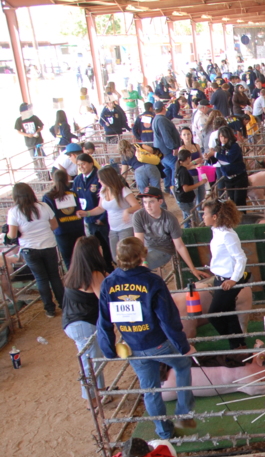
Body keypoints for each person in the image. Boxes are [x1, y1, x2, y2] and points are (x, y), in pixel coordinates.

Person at [97, 237, 196, 440]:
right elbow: (168, 317)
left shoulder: (109, 283)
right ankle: (183, 413)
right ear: (143, 255)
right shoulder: (152, 281)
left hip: (133, 345)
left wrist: (108, 349)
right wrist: (182, 344)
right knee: (183, 365)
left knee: (150, 389)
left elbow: (104, 320)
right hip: (157, 342)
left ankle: (164, 431)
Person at [5, 183, 64, 317]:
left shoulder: (14, 212)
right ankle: (63, 304)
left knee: (41, 279)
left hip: (29, 249)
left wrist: (7, 235)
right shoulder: (43, 206)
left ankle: (50, 309)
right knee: (54, 276)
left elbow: (12, 235)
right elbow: (54, 225)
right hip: (48, 245)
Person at [62, 236, 109, 400]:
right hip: (84, 325)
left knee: (94, 359)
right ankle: (91, 400)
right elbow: (106, 300)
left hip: (72, 323)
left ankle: (100, 391)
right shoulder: (94, 275)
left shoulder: (74, 271)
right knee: (91, 363)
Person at [200, 199, 248, 350]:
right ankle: (239, 345)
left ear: (214, 216)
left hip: (227, 280)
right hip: (220, 278)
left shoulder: (227, 235)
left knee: (214, 315)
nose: (203, 216)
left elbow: (241, 258)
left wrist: (234, 280)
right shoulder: (218, 232)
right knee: (229, 313)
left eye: (205, 214)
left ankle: (234, 342)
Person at [132, 186, 208, 277]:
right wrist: (143, 259)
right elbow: (139, 243)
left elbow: (179, 245)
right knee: (130, 263)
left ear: (160, 202)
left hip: (164, 250)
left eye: (151, 202)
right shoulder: (138, 216)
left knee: (137, 267)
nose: (147, 206)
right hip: (145, 248)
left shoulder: (169, 218)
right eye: (144, 202)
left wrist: (192, 269)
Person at [79, 167, 140, 262]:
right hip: (113, 228)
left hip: (126, 226)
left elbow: (137, 206)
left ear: (107, 178)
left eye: (100, 179)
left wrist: (127, 211)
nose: (98, 181)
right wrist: (87, 213)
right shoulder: (103, 191)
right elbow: (100, 208)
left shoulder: (124, 190)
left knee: (126, 256)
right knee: (116, 257)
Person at [72, 153, 113, 266]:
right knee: (94, 247)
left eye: (83, 164)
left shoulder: (99, 178)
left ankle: (109, 266)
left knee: (107, 246)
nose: (81, 167)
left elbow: (107, 200)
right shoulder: (78, 180)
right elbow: (75, 198)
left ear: (91, 163)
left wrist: (102, 218)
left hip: (103, 219)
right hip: (88, 219)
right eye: (78, 165)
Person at [42, 170, 85, 269]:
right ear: (67, 179)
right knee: (81, 257)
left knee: (68, 260)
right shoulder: (73, 194)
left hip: (62, 231)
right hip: (78, 228)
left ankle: (73, 282)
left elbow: (47, 215)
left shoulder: (49, 197)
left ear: (53, 179)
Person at [207, 126, 249, 206]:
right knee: (232, 201)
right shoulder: (220, 148)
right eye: (221, 136)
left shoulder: (234, 146)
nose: (223, 139)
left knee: (239, 201)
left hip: (239, 177)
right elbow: (214, 161)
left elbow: (230, 159)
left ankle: (242, 218)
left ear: (229, 136)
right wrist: (208, 157)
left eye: (225, 137)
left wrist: (215, 154)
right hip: (228, 178)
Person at [152, 100, 182, 195]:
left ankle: (167, 187)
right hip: (167, 150)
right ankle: (174, 188)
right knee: (174, 167)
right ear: (164, 108)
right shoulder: (161, 120)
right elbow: (166, 136)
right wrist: (173, 147)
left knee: (166, 169)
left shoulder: (156, 119)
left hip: (161, 150)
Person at [174, 149, 207, 227]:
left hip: (183, 199)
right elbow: (186, 189)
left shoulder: (179, 168)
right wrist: (200, 183)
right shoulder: (183, 172)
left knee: (188, 218)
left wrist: (195, 164)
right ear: (188, 158)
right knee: (193, 219)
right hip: (184, 199)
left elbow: (188, 166)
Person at [15, 103, 45, 170]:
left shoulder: (34, 117)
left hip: (38, 140)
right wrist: (27, 135)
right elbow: (18, 131)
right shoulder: (19, 120)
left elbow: (41, 126)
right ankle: (39, 174)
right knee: (34, 159)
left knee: (40, 158)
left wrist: (37, 131)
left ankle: (45, 173)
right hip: (29, 143)